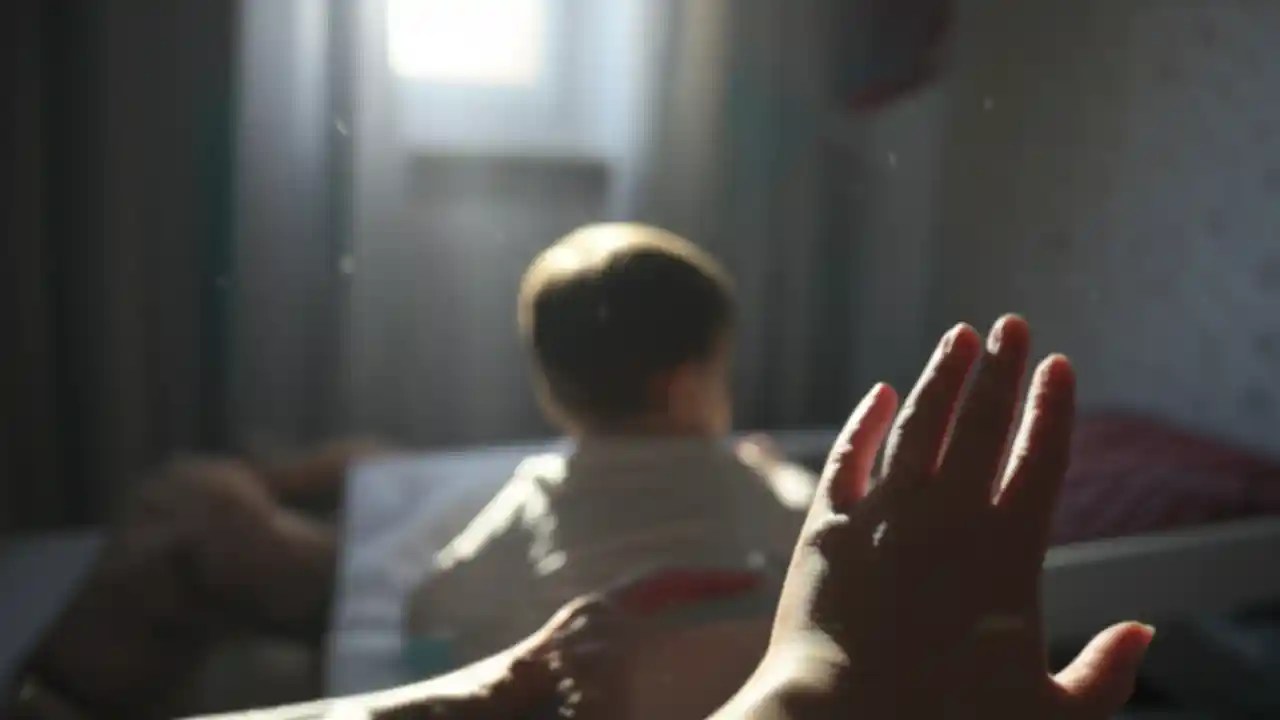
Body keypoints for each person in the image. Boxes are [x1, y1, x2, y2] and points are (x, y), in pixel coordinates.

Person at [406, 223, 818, 667]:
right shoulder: (740, 479)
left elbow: (432, 606)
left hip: (592, 690)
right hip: (735, 688)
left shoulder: (544, 493)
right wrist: (778, 471)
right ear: (685, 386)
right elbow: (825, 525)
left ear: (551, 394)